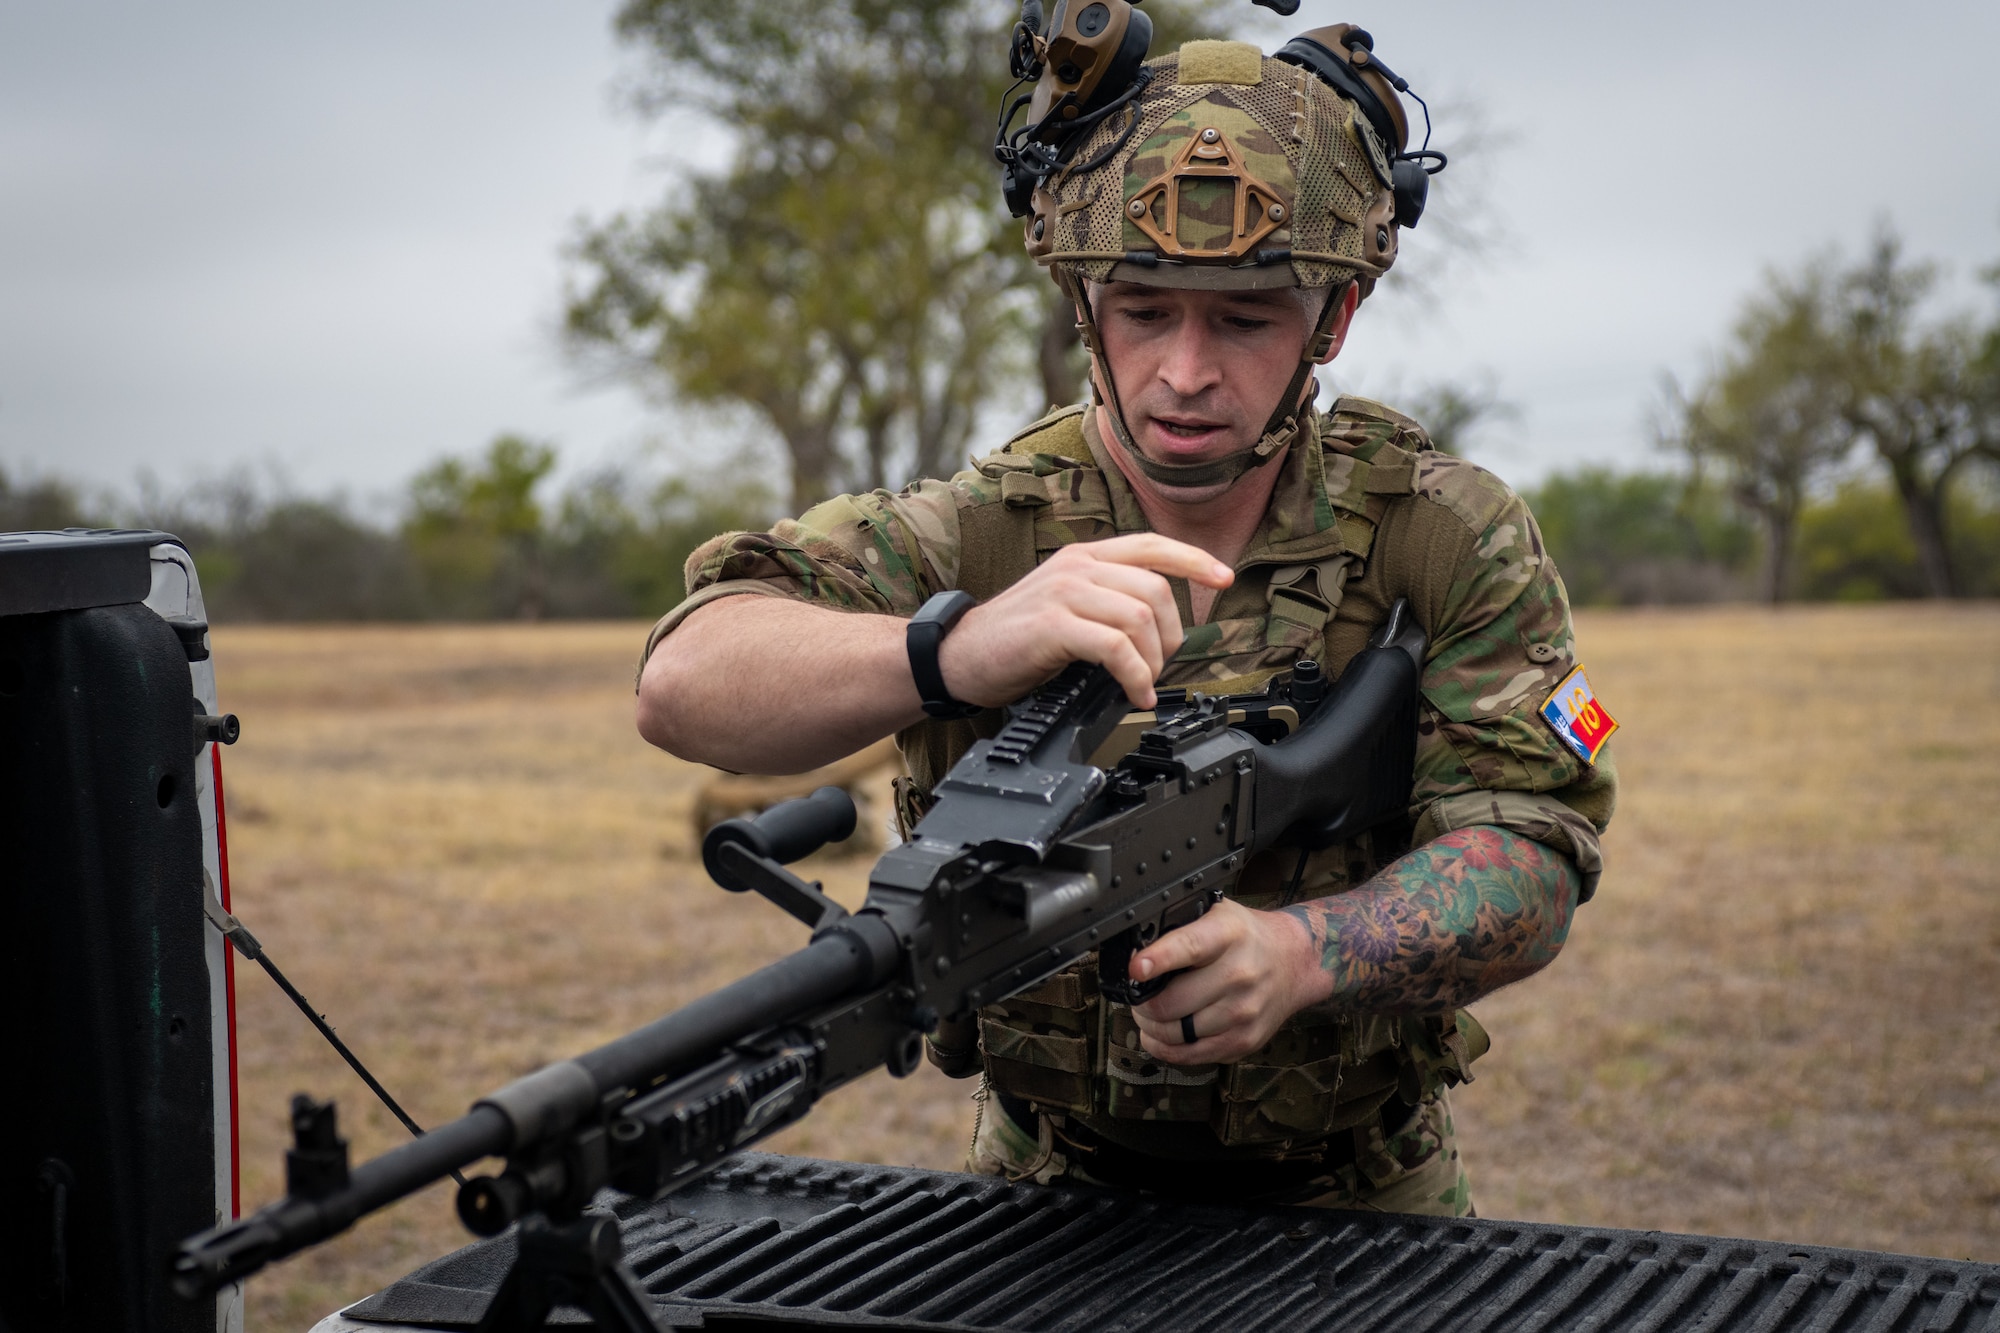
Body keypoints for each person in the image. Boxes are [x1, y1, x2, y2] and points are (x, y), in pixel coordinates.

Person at [634, 34, 1616, 1217]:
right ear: (1081, 303)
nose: (1185, 373)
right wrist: (953, 650)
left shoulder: (1439, 537)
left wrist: (1303, 954)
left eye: (1245, 321)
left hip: (1362, 1195)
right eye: (1144, 312)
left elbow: (1529, 854)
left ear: (1334, 317)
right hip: (1042, 1188)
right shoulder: (982, 534)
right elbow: (684, 679)